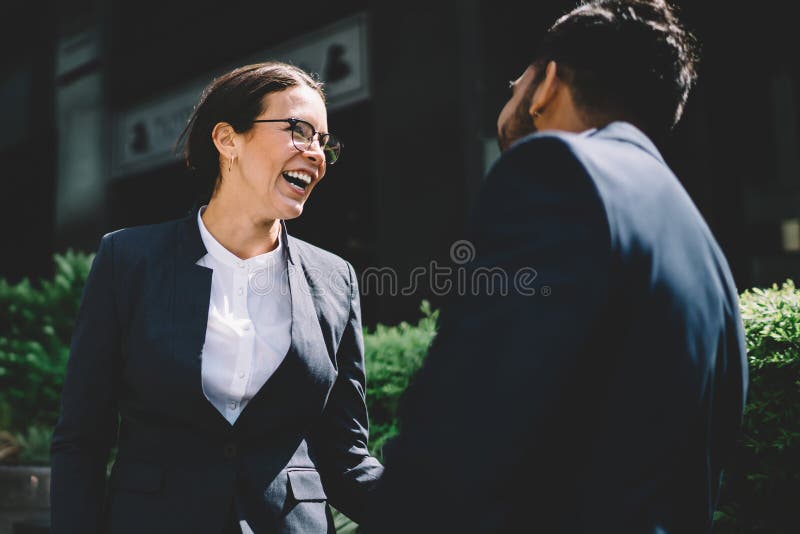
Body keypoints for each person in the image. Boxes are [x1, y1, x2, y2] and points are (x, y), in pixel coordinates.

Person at [363, 1, 748, 532]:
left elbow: (460, 434)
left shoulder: (556, 171)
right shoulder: (705, 249)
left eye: (518, 80)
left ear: (546, 85)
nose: (512, 89)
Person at [50, 61, 383, 534]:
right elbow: (81, 441)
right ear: (228, 140)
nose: (315, 153)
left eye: (322, 140)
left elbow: (346, 460)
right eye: (298, 130)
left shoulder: (335, 279)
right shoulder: (128, 260)